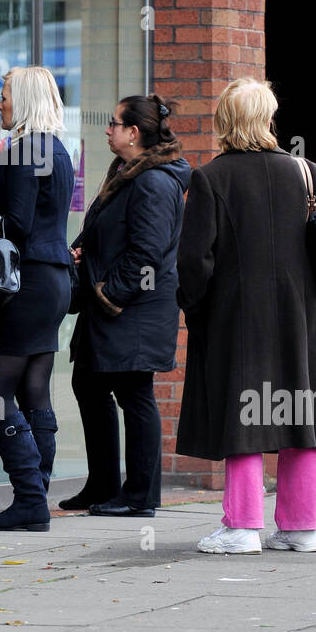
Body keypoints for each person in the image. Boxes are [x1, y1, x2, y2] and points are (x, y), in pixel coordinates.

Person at [176, 77, 316, 554]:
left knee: (244, 415)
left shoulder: (211, 178)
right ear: (268, 118)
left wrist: (195, 309)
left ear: (224, 122)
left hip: (236, 319)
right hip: (301, 317)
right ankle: (301, 527)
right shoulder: (307, 171)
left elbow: (195, 262)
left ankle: (241, 528)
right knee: (303, 410)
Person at [0, 66, 75, 531]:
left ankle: (29, 497)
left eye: (4, 95)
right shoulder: (58, 151)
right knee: (33, 391)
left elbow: (17, 225)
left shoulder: (22, 150)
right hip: (53, 281)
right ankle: (36, 496)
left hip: (21, 285)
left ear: (22, 100)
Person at [63, 94, 189, 516]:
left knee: (134, 394)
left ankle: (140, 496)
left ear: (133, 133)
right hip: (116, 306)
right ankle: (102, 486)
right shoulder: (127, 171)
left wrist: (107, 293)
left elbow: (147, 254)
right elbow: (105, 228)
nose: (107, 129)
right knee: (89, 384)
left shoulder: (153, 181)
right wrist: (81, 251)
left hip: (134, 308)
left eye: (114, 123)